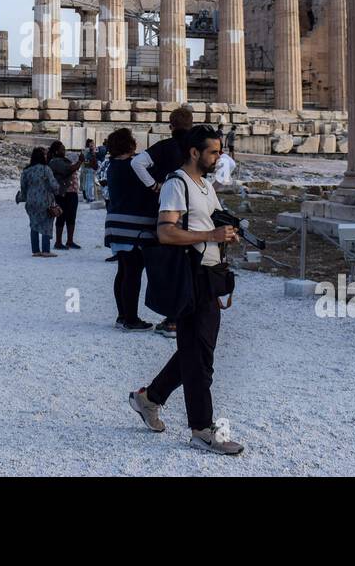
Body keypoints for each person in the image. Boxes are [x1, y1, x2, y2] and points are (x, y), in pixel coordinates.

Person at [128, 124, 243, 456]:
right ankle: (202, 429)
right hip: (188, 278)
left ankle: (148, 399)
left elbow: (208, 226)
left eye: (220, 151)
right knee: (200, 356)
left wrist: (225, 234)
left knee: (197, 351)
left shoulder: (206, 185)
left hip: (209, 275)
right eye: (213, 151)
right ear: (195, 152)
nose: (219, 156)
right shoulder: (176, 185)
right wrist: (211, 237)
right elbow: (166, 233)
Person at [129, 105, 194, 338]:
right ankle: (188, 316)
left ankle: (173, 320)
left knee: (171, 264)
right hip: (196, 212)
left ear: (171, 125)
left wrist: (154, 186)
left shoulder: (165, 147)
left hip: (169, 211)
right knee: (193, 262)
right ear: (192, 124)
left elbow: (136, 163)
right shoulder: (198, 148)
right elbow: (223, 169)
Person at [102, 128, 154, 330]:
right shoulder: (133, 166)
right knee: (133, 272)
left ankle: (122, 316)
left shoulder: (113, 166)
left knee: (123, 271)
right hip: (133, 225)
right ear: (130, 144)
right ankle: (131, 319)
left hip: (115, 222)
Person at [18, 146, 60, 257]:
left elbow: (23, 188)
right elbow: (53, 185)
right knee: (47, 224)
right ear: (42, 157)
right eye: (45, 155)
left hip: (31, 202)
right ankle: (46, 250)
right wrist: (58, 190)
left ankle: (36, 250)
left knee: (34, 225)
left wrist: (22, 197)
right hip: (45, 201)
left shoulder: (26, 171)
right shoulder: (46, 169)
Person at [47, 140, 83, 250]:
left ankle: (69, 241)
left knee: (71, 217)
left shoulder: (62, 160)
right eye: (62, 149)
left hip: (71, 192)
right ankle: (58, 242)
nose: (64, 151)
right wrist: (79, 162)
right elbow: (67, 170)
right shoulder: (55, 162)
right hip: (62, 193)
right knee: (61, 217)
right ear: (56, 151)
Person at [80, 138, 99, 202]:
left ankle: (87, 197)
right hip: (88, 168)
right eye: (92, 143)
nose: (93, 144)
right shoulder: (89, 150)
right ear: (89, 143)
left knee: (86, 183)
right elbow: (89, 160)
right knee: (89, 184)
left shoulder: (84, 150)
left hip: (85, 168)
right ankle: (90, 197)